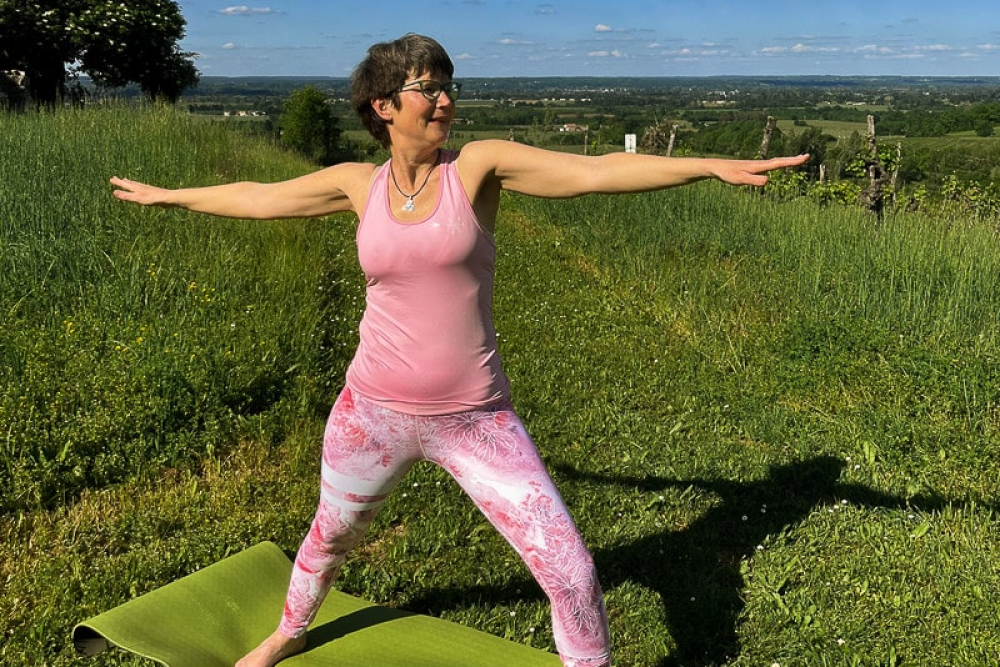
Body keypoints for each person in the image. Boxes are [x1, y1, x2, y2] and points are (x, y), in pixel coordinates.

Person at [111, 33, 808, 667]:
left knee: (572, 572)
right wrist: (170, 195)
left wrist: (707, 165)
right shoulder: (361, 184)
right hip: (370, 414)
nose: (445, 99)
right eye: (427, 86)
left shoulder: (476, 169)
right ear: (383, 105)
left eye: (448, 85)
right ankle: (287, 632)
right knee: (329, 539)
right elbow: (260, 197)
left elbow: (595, 170)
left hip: (475, 420)